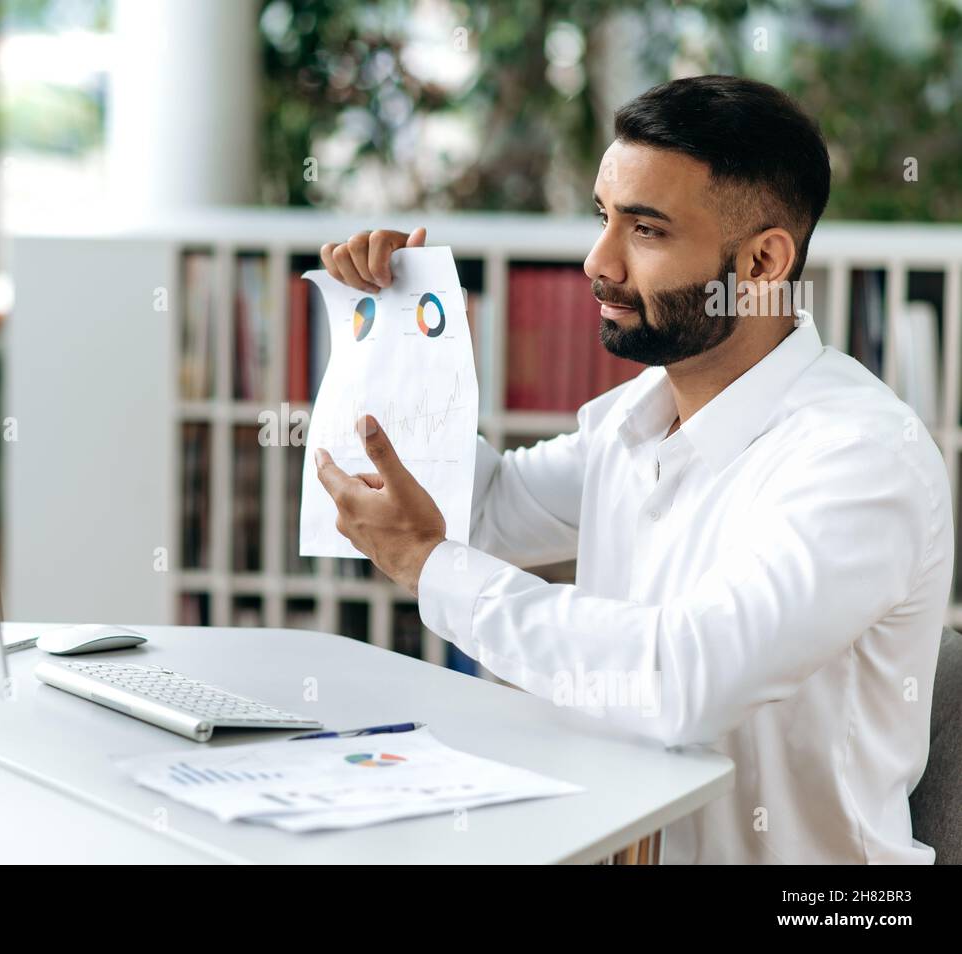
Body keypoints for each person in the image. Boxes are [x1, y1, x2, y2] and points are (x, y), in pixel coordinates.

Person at [313, 75, 952, 864]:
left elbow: (682, 681)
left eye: (645, 231)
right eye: (602, 217)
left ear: (760, 262)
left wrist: (432, 567)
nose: (596, 262)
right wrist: (395, 339)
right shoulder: (633, 420)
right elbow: (475, 513)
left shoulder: (859, 460)